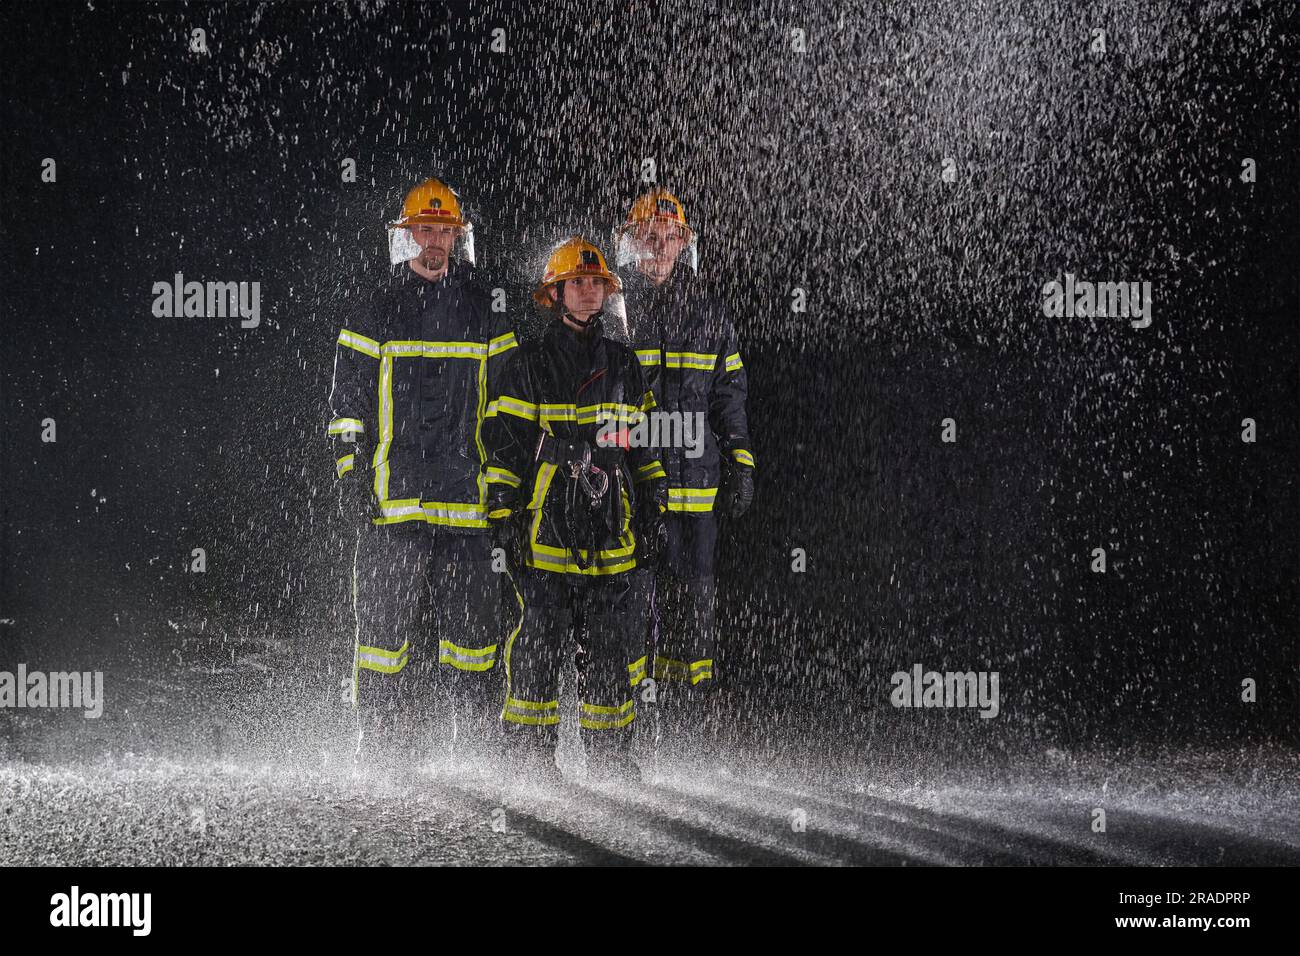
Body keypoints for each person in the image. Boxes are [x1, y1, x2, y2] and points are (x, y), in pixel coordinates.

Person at [327, 177, 519, 765]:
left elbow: (509, 407)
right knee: (383, 636)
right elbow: (347, 400)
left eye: (444, 231)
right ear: (405, 236)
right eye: (424, 230)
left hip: (469, 502)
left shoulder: (487, 305)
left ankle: (479, 749)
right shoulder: (373, 306)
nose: (434, 241)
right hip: (394, 499)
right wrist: (348, 471)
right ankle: (382, 746)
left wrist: (505, 488)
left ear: (457, 238)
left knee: (474, 638)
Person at [483, 236, 668, 782]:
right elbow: (507, 443)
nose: (588, 292)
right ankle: (529, 760)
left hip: (611, 519)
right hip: (546, 522)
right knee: (537, 642)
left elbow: (645, 444)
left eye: (596, 284)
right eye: (577, 283)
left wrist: (655, 504)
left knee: (611, 647)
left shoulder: (623, 363)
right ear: (555, 293)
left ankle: (610, 758)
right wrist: (502, 515)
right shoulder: (529, 362)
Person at [614, 188, 754, 757]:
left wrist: (741, 464)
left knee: (691, 612)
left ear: (684, 244)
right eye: (650, 237)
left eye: (670, 238)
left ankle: (686, 738)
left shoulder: (710, 313)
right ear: (632, 241)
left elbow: (729, 397)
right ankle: (623, 732)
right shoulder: (615, 309)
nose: (660, 247)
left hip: (696, 492)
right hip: (633, 490)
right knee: (630, 606)